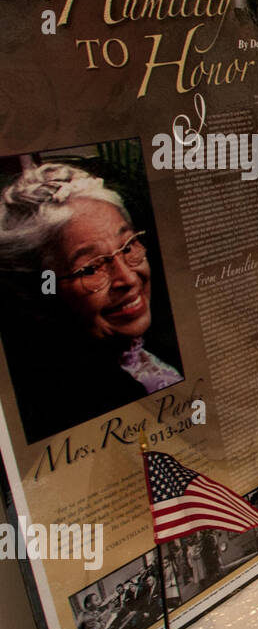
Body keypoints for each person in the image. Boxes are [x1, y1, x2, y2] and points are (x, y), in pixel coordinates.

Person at [0, 163, 183, 441]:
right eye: (90, 268)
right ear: (44, 290)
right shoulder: (74, 402)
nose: (128, 279)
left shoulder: (170, 334)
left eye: (129, 245)